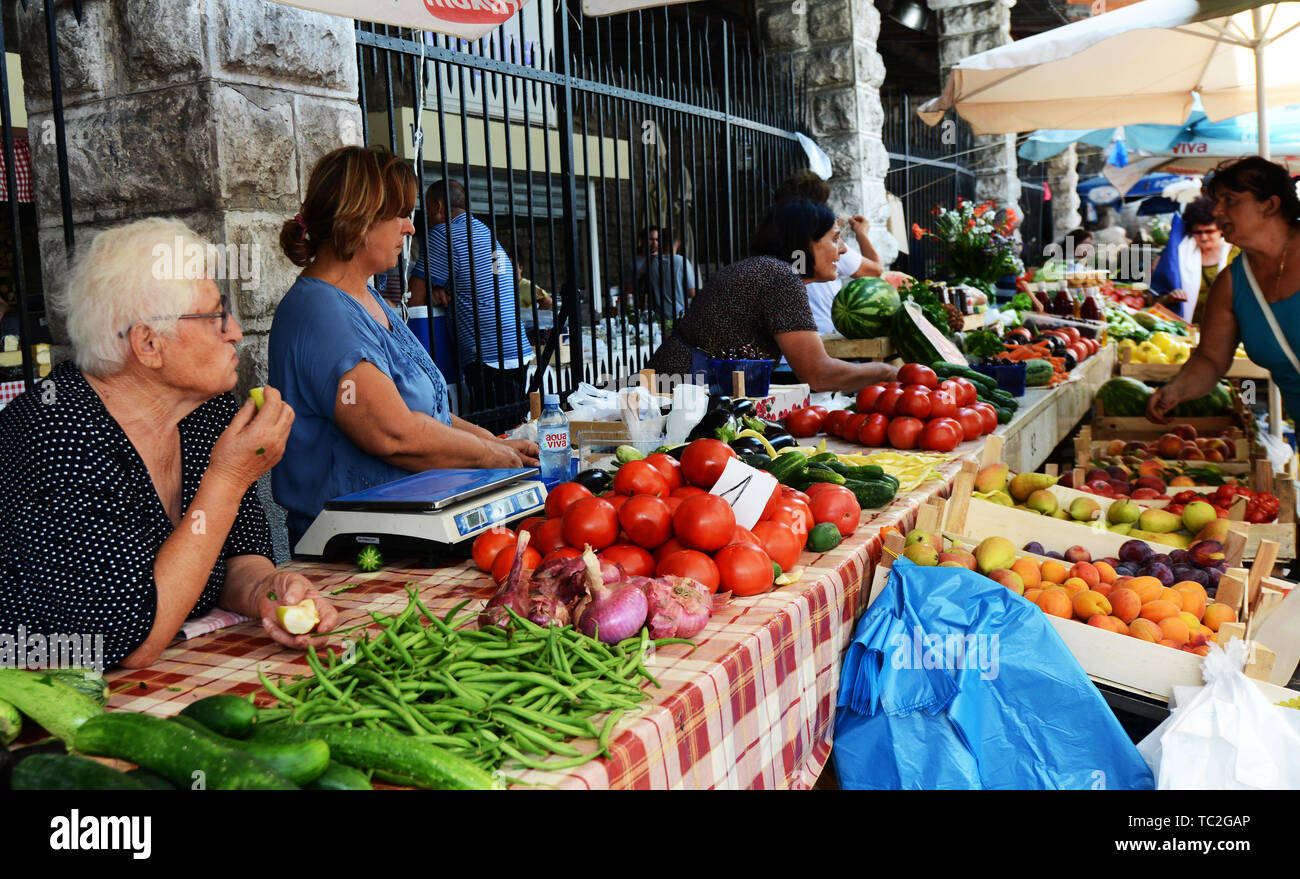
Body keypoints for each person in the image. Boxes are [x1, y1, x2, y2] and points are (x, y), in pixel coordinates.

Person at [0, 219, 338, 669]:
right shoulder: (56, 434)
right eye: (216, 315)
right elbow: (129, 640)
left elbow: (236, 552)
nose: (235, 331)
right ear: (148, 343)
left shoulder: (204, 411)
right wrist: (229, 477)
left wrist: (265, 591)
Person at [271, 147, 538, 547]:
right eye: (398, 215)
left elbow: (429, 415)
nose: (410, 228)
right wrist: (485, 456)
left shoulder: (370, 297)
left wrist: (492, 443)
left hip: (404, 533)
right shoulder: (319, 312)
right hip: (358, 551)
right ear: (356, 220)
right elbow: (396, 434)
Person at [646, 199, 898, 392]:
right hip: (674, 398)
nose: (842, 249)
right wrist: (889, 373)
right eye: (835, 238)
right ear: (803, 243)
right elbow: (818, 374)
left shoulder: (770, 270)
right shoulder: (780, 277)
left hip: (678, 390)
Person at [1148, 156, 1300, 423]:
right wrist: (1175, 390)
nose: (1217, 211)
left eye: (1230, 199)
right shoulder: (1232, 283)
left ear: (1270, 205)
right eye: (1217, 201)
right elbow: (1210, 359)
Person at [407, 179, 533, 417]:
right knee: (513, 428)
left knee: (494, 434)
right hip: (515, 348)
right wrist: (439, 288)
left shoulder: (443, 234)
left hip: (487, 354)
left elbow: (413, 298)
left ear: (438, 206)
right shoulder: (483, 231)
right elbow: (480, 280)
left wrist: (431, 290)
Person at [774, 170, 883, 334]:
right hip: (824, 341)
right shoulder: (807, 249)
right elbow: (875, 271)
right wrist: (861, 234)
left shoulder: (779, 242)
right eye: (834, 239)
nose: (842, 249)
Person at [1147, 196, 1237, 323]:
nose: (1204, 237)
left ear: (1221, 230)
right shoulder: (1177, 255)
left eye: (1209, 231)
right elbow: (1152, 299)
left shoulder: (1237, 255)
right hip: (1186, 330)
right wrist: (1170, 298)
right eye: (1198, 232)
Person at [644, 231, 698, 318]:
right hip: (678, 314)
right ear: (679, 243)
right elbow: (692, 292)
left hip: (658, 316)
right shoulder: (681, 261)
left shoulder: (653, 261)